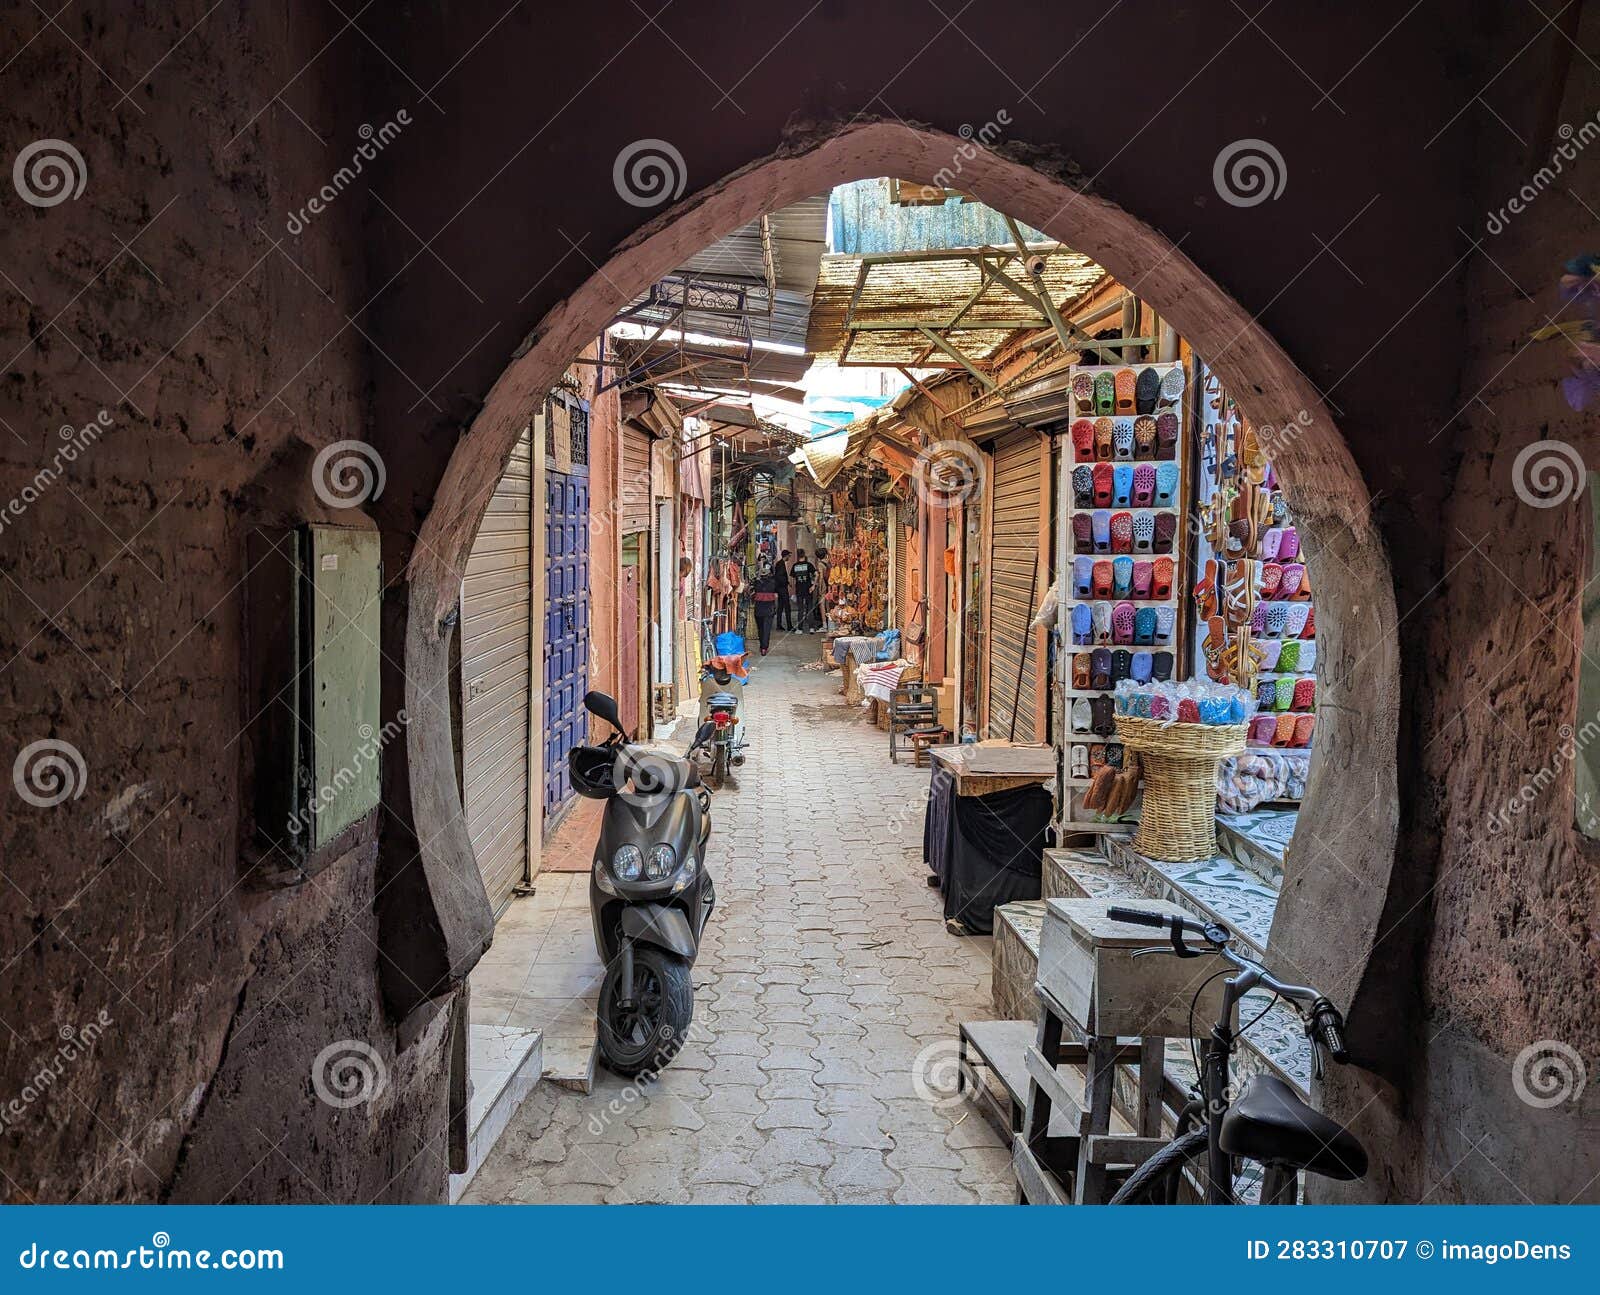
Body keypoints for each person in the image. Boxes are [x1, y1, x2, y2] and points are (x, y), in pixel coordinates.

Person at [751, 559, 779, 655]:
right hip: (769, 609)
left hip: (758, 610)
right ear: (768, 574)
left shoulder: (756, 583)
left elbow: (751, 592)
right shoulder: (773, 583)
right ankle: (764, 648)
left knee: (760, 629)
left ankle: (762, 645)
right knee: (767, 629)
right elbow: (776, 595)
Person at [791, 549, 817, 632]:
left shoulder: (795, 566)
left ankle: (800, 629)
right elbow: (816, 574)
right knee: (809, 608)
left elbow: (793, 579)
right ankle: (811, 628)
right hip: (808, 589)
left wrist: (794, 588)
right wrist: (813, 585)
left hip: (799, 589)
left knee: (800, 609)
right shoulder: (809, 565)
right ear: (804, 555)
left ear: (797, 556)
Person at [773, 549, 793, 631]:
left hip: (780, 588)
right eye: (789, 556)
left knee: (780, 607)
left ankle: (779, 625)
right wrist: (785, 583)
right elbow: (780, 577)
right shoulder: (781, 564)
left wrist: (787, 582)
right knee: (787, 607)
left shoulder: (780, 563)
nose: (789, 558)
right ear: (786, 556)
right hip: (782, 589)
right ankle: (789, 626)